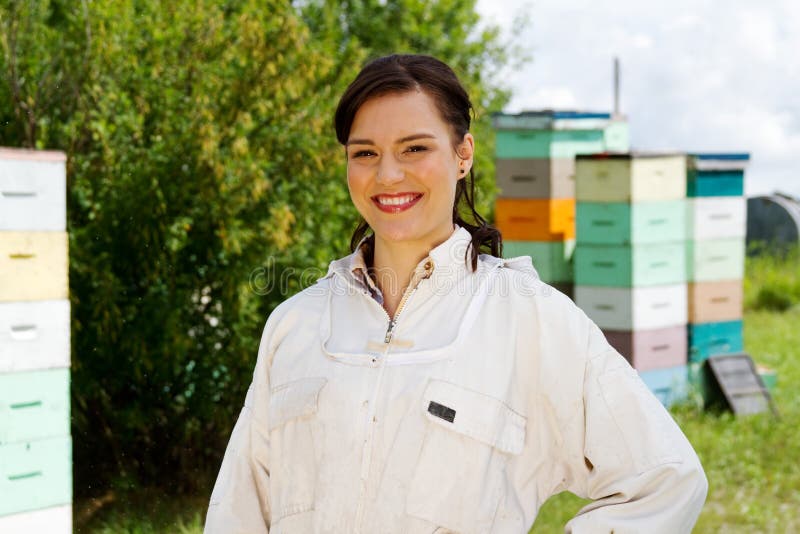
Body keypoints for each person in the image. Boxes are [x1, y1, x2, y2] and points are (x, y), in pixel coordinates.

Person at [204, 54, 707, 534]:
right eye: (365, 153)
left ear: (462, 154)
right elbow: (240, 512)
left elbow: (664, 479)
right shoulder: (295, 323)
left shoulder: (530, 318)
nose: (387, 175)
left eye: (414, 148)